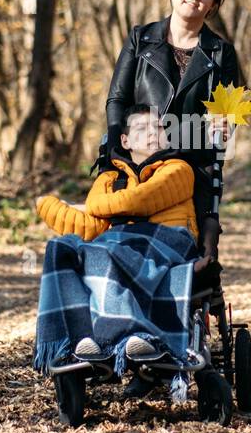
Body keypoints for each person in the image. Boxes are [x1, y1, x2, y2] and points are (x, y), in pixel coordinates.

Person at [33, 106, 212, 397]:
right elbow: (89, 226)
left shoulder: (178, 169)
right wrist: (47, 205)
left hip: (168, 241)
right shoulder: (109, 180)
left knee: (112, 248)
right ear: (126, 141)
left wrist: (93, 205)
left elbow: (140, 201)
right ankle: (83, 340)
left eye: (158, 128)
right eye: (143, 129)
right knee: (70, 249)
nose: (153, 135)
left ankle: (131, 335)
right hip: (119, 243)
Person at [103, 0, 244, 268]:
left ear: (213, 5)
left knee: (189, 228)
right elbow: (117, 99)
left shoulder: (221, 53)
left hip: (193, 160)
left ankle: (192, 276)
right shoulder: (141, 39)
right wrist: (117, 149)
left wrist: (225, 126)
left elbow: (231, 112)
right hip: (139, 156)